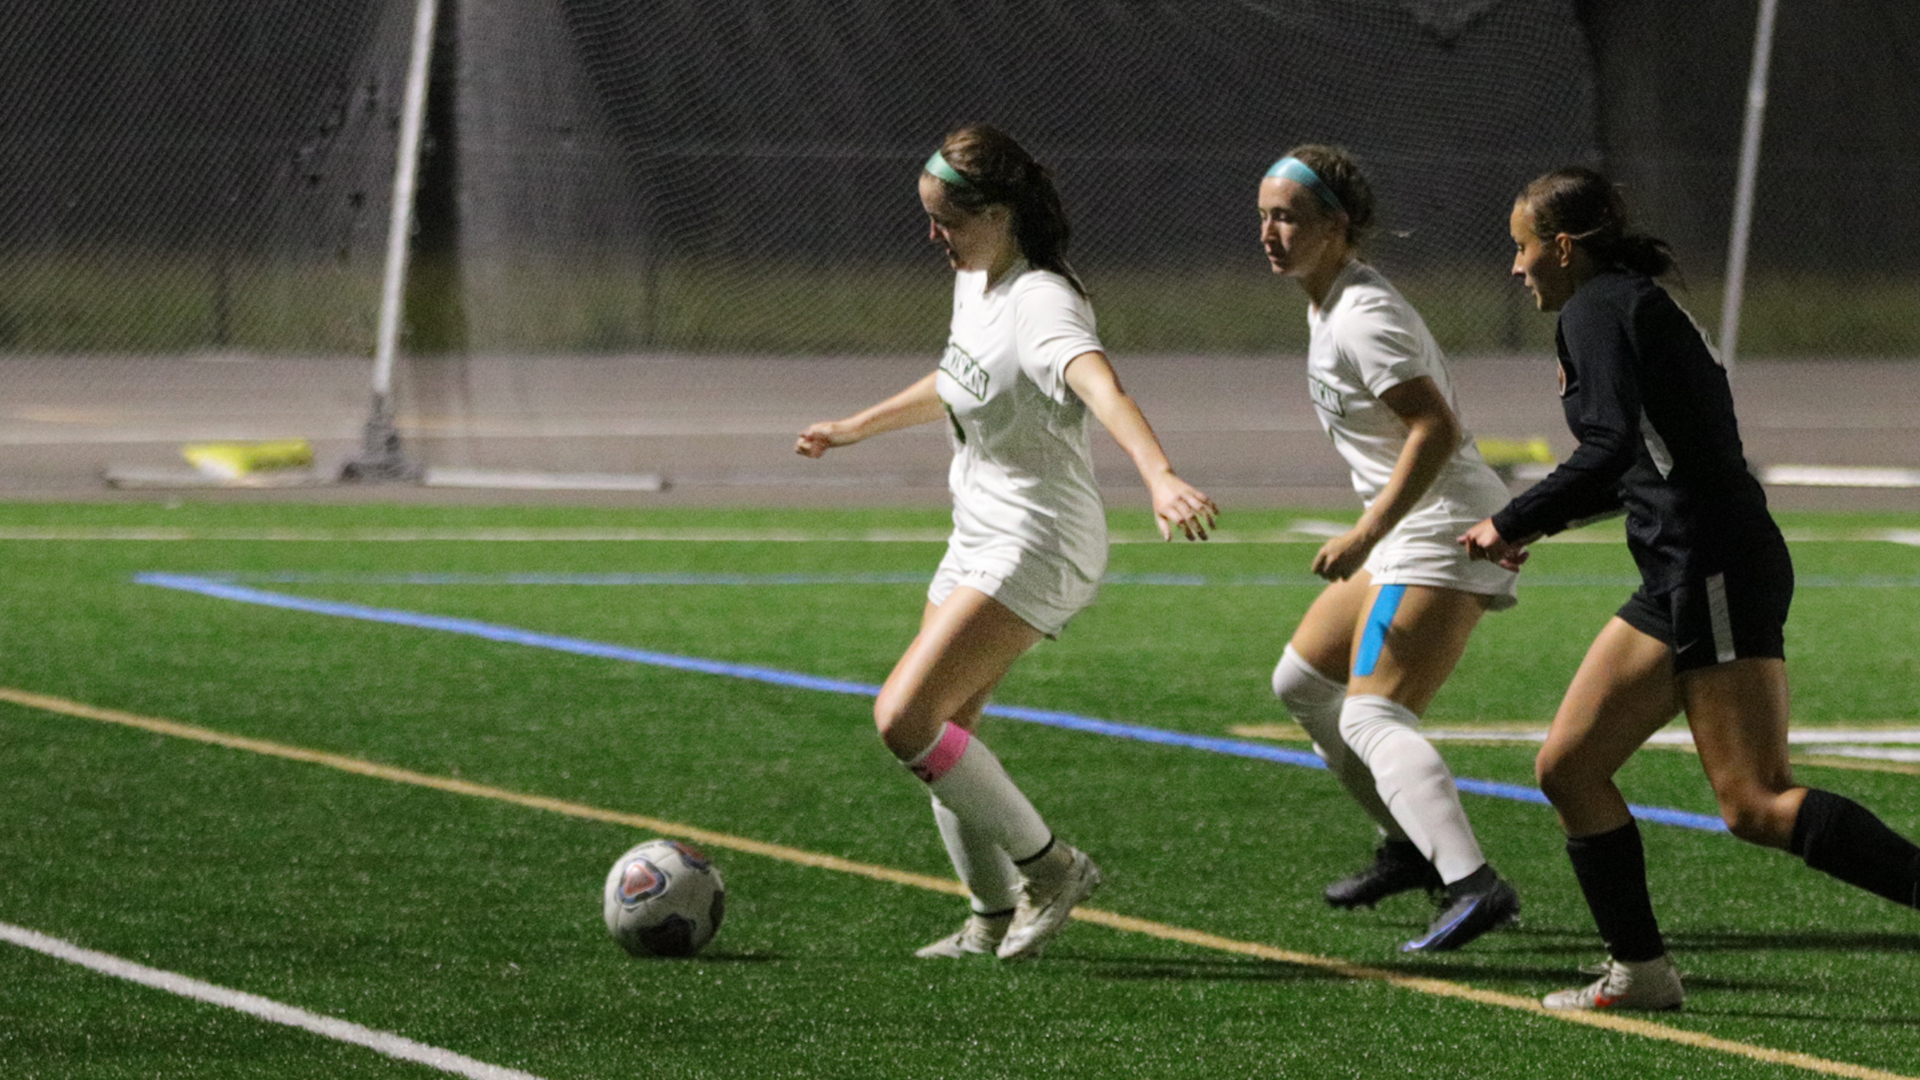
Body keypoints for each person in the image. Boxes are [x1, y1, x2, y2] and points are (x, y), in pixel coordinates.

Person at [1462, 166, 1920, 1011]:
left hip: (1708, 564)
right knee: (1569, 766)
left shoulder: (1597, 309)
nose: (1516, 267)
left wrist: (1511, 521)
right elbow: (1635, 460)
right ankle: (1639, 970)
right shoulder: (1630, 301)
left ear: (1563, 248)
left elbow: (1603, 451)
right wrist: (1537, 522)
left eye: (1522, 248)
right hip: (1690, 567)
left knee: (1753, 802)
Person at [797, 123, 1217, 961]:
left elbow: (1103, 387)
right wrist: (855, 427)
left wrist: (1161, 475)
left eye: (946, 220)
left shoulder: (1041, 301)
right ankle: (988, 917)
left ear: (998, 214)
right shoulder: (977, 280)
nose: (933, 236)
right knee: (952, 735)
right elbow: (958, 381)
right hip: (979, 527)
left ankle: (1053, 868)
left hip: (1040, 538)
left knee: (905, 718)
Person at [1257, 145, 1521, 953]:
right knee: (1303, 682)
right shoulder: (1327, 301)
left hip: (1445, 530)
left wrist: (1367, 531)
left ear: (1337, 226)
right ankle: (1412, 847)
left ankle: (1474, 884)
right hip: (1410, 528)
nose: (1270, 231)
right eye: (1264, 214)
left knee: (1374, 713)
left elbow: (1434, 428)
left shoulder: (1364, 315)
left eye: (1289, 217)